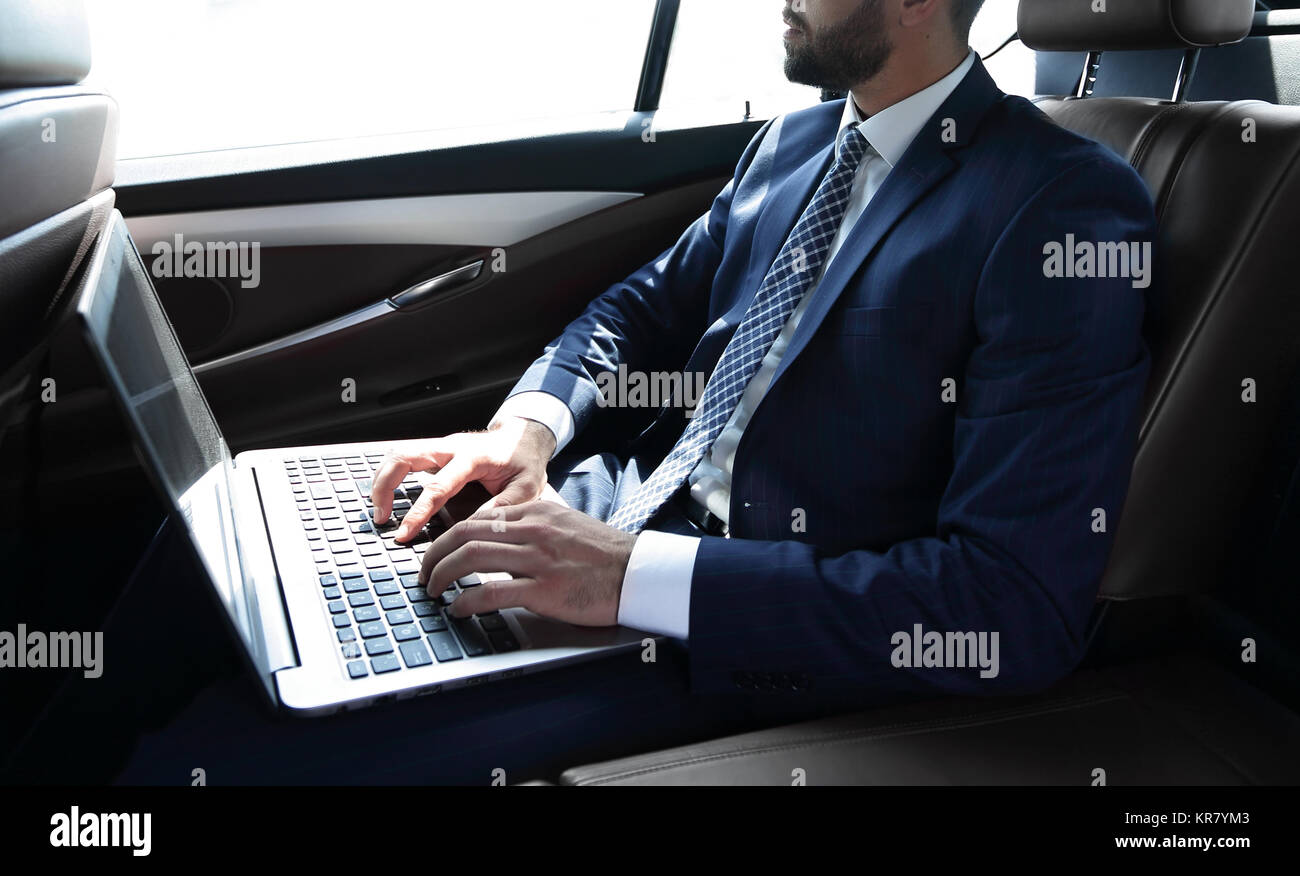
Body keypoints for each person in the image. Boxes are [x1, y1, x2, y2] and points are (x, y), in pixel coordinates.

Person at [22, 0, 1157, 785]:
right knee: (213, 544)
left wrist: (632, 577)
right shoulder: (795, 146)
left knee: (234, 756)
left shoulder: (1058, 208)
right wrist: (525, 431)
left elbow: (1009, 607)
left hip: (740, 624)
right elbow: (641, 311)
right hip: (608, 507)